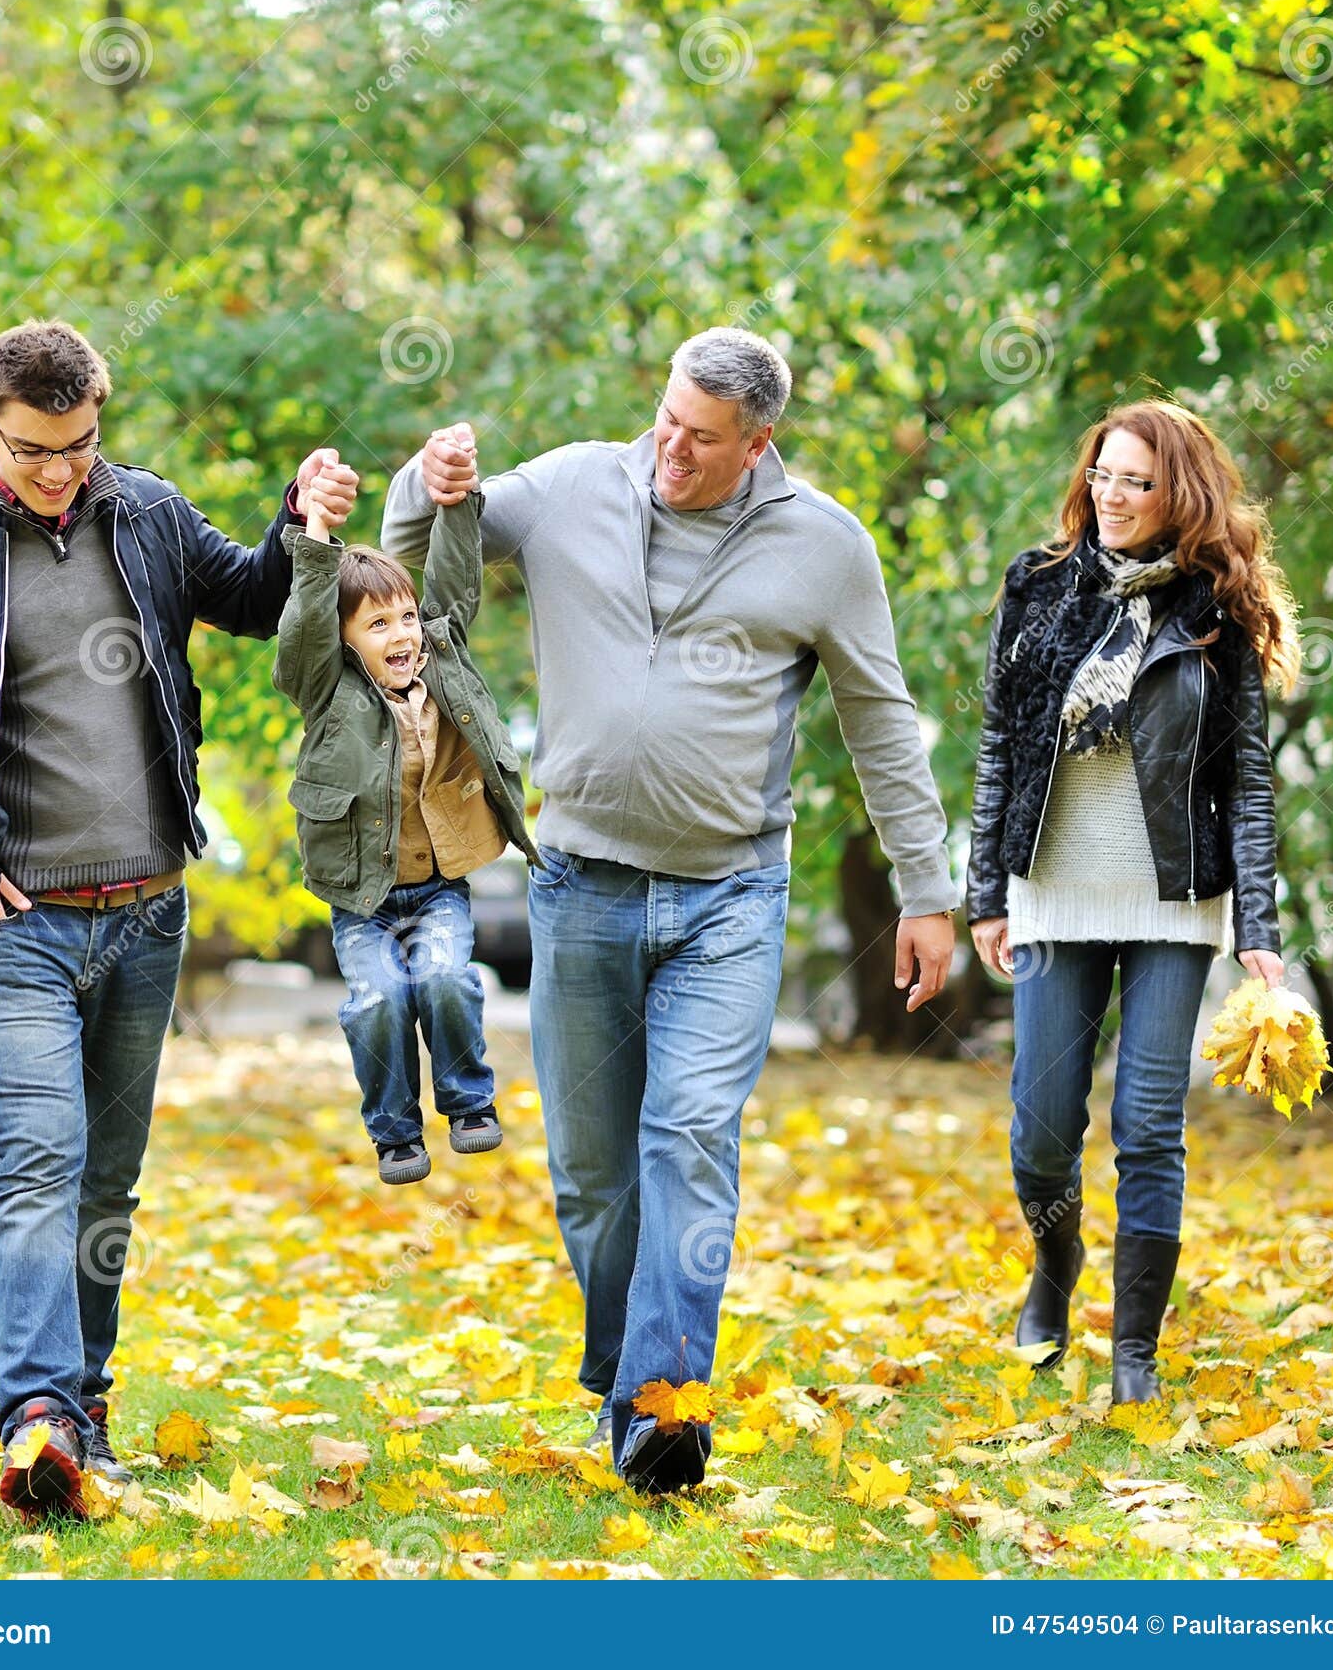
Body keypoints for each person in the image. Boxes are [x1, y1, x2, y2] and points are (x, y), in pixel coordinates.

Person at [382, 327, 955, 1493]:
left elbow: (881, 720)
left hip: (729, 895)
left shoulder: (825, 546)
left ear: (758, 444)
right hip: (579, 883)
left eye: (700, 438)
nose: (670, 447)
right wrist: (424, 480)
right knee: (593, 1178)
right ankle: (623, 1380)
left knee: (688, 1136)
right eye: (666, 418)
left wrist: (926, 888)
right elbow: (414, 564)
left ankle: (661, 1402)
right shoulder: (572, 485)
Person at [0, 319, 358, 1519]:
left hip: (144, 915)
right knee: (38, 1162)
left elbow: (249, 597)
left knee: (104, 1187)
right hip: (15, 922)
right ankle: (35, 1421)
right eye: (34, 450)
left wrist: (299, 518)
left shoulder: (148, 514)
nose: (62, 470)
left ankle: (85, 1407)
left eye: (79, 444)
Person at [966, 399, 1297, 1404]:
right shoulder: (1035, 588)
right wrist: (984, 890)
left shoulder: (1215, 609)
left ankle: (1134, 1358)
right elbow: (997, 745)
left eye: (1135, 482)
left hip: (1172, 897)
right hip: (1053, 891)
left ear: (1178, 493)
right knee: (1040, 1129)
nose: (1111, 497)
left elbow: (1245, 778)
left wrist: (1259, 930)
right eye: (1101, 476)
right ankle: (1054, 1271)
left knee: (1147, 1123)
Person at [272, 483, 538, 1184]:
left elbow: (453, 584)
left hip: (437, 889)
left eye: (405, 616)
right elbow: (302, 626)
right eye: (378, 624)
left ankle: (469, 1104)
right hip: (363, 901)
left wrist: (455, 505)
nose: (403, 634)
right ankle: (395, 1135)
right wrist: (318, 533)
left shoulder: (443, 662)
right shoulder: (327, 688)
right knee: (380, 997)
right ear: (345, 640)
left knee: (446, 979)